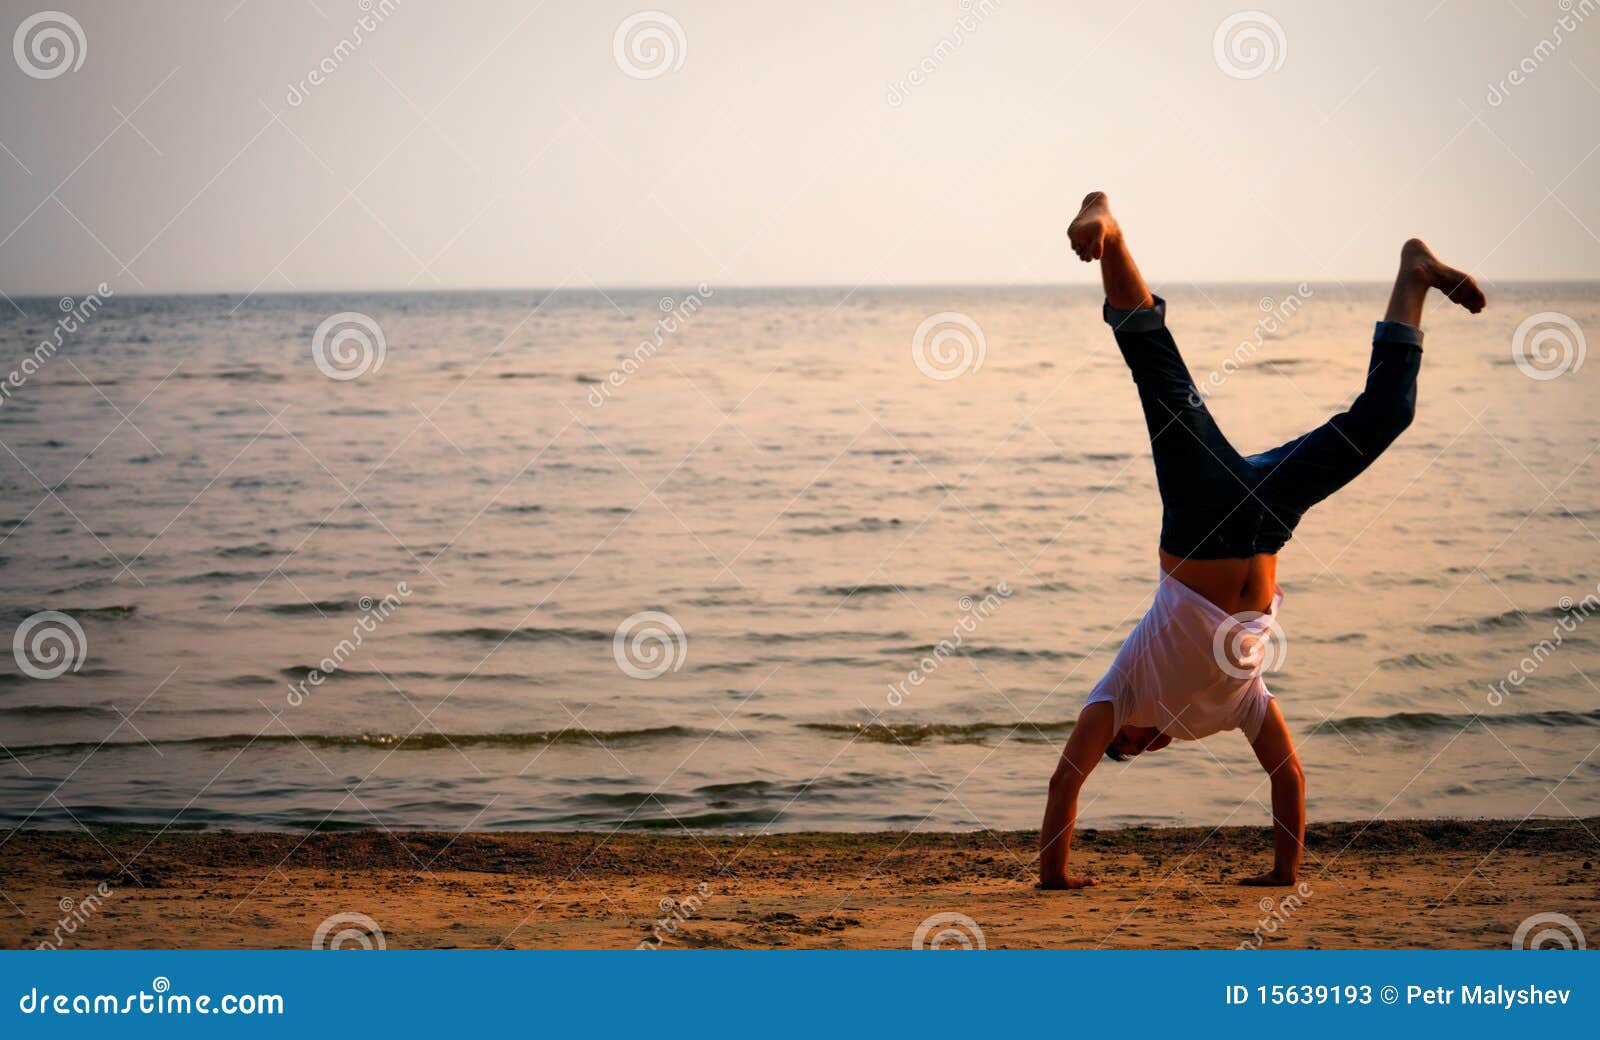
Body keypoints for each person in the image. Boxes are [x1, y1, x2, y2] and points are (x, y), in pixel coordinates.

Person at [1037, 192, 1486, 890]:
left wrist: (1053, 879)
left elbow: (1067, 779)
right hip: (1268, 514)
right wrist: (1284, 875)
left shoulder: (1121, 694)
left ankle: (1110, 228)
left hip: (1202, 523)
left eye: (1118, 744)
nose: (1128, 741)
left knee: (1160, 378)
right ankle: (1413, 274)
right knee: (1385, 417)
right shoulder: (1235, 705)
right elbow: (1288, 773)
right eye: (1129, 747)